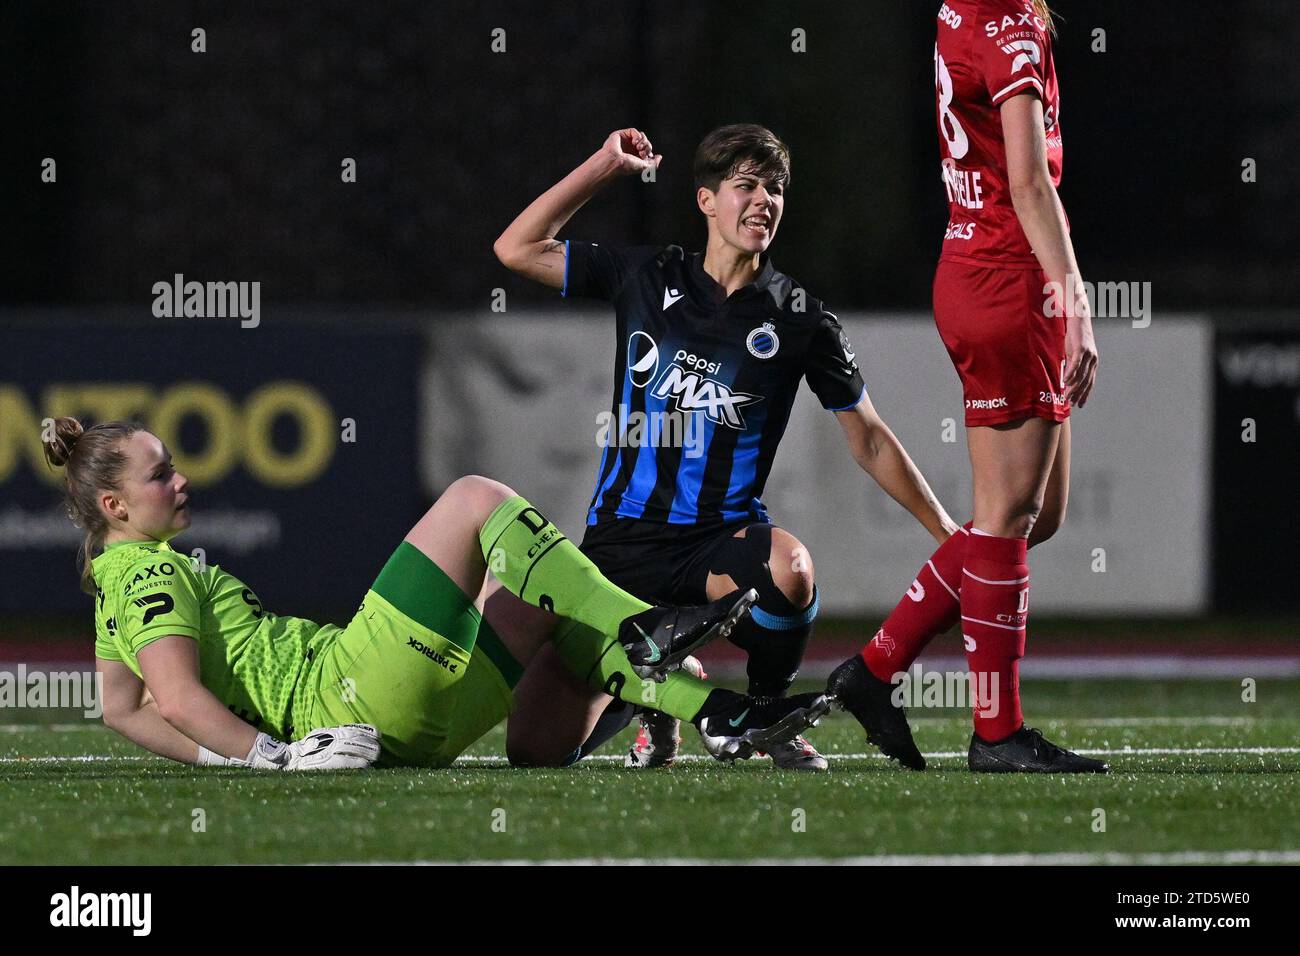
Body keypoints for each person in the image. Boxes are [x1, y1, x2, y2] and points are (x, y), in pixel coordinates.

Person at [495, 124, 956, 770]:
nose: (764, 200)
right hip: (617, 552)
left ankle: (769, 713)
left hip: (717, 550)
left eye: (775, 189)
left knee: (789, 570)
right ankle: (662, 690)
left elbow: (870, 438)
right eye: (746, 185)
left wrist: (945, 533)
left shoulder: (800, 317)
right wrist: (604, 165)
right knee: (535, 750)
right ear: (707, 201)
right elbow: (516, 248)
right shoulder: (647, 277)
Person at [44, 417, 829, 770]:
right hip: (347, 695)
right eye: (160, 474)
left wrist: (230, 760)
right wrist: (270, 759)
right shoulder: (148, 570)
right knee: (475, 500)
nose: (180, 479)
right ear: (114, 508)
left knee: (536, 600)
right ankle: (648, 631)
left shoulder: (118, 580)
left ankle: (723, 715)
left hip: (404, 729)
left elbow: (124, 708)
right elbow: (175, 699)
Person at [828, 0, 1106, 773]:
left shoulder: (961, 10)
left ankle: (876, 670)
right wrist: (1073, 301)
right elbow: (1027, 180)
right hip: (1008, 277)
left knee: (1031, 517)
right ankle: (994, 732)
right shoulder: (1008, 21)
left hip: (974, 267)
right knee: (1006, 517)